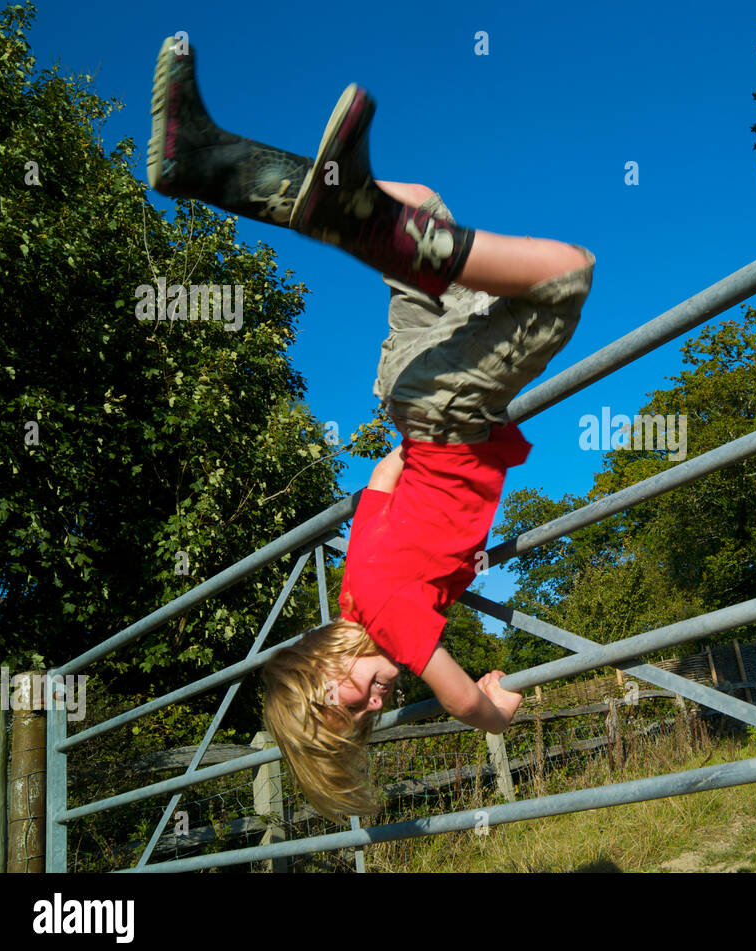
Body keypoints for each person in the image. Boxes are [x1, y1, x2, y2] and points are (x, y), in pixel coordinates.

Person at [147, 36, 595, 821]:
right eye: (372, 718)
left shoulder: (396, 624)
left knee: (563, 275)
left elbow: (462, 702)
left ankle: (353, 220)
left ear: (323, 668)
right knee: (417, 201)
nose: (378, 701)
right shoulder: (362, 590)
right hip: (409, 400)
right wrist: (452, 544)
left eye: (350, 703)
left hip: (448, 413)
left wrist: (496, 702)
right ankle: (210, 163)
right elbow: (383, 484)